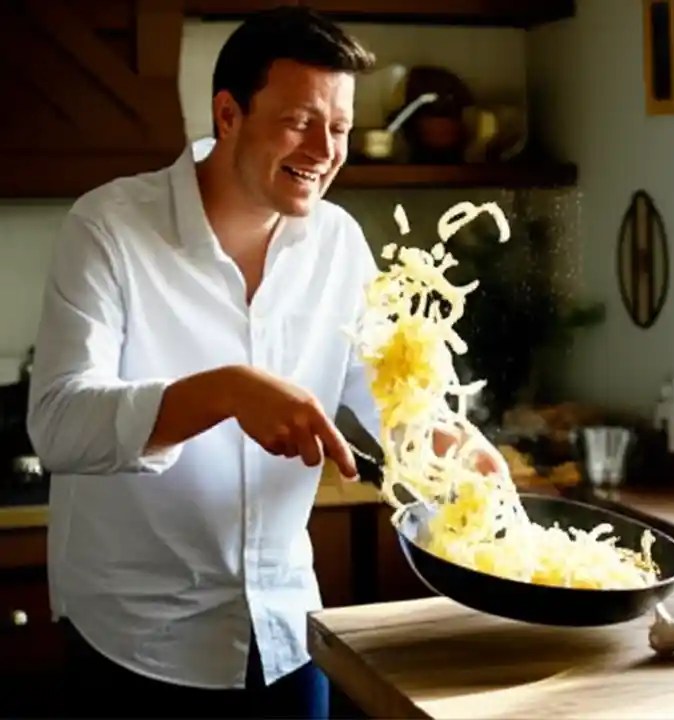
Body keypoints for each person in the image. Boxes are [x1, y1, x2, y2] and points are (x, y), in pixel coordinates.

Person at [26, 7, 502, 718]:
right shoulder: (110, 227)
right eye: (298, 121)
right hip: (137, 642)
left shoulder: (339, 242)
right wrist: (223, 392)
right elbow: (58, 425)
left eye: (338, 128)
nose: (323, 148)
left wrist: (449, 447)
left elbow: (390, 403)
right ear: (227, 114)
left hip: (285, 632)